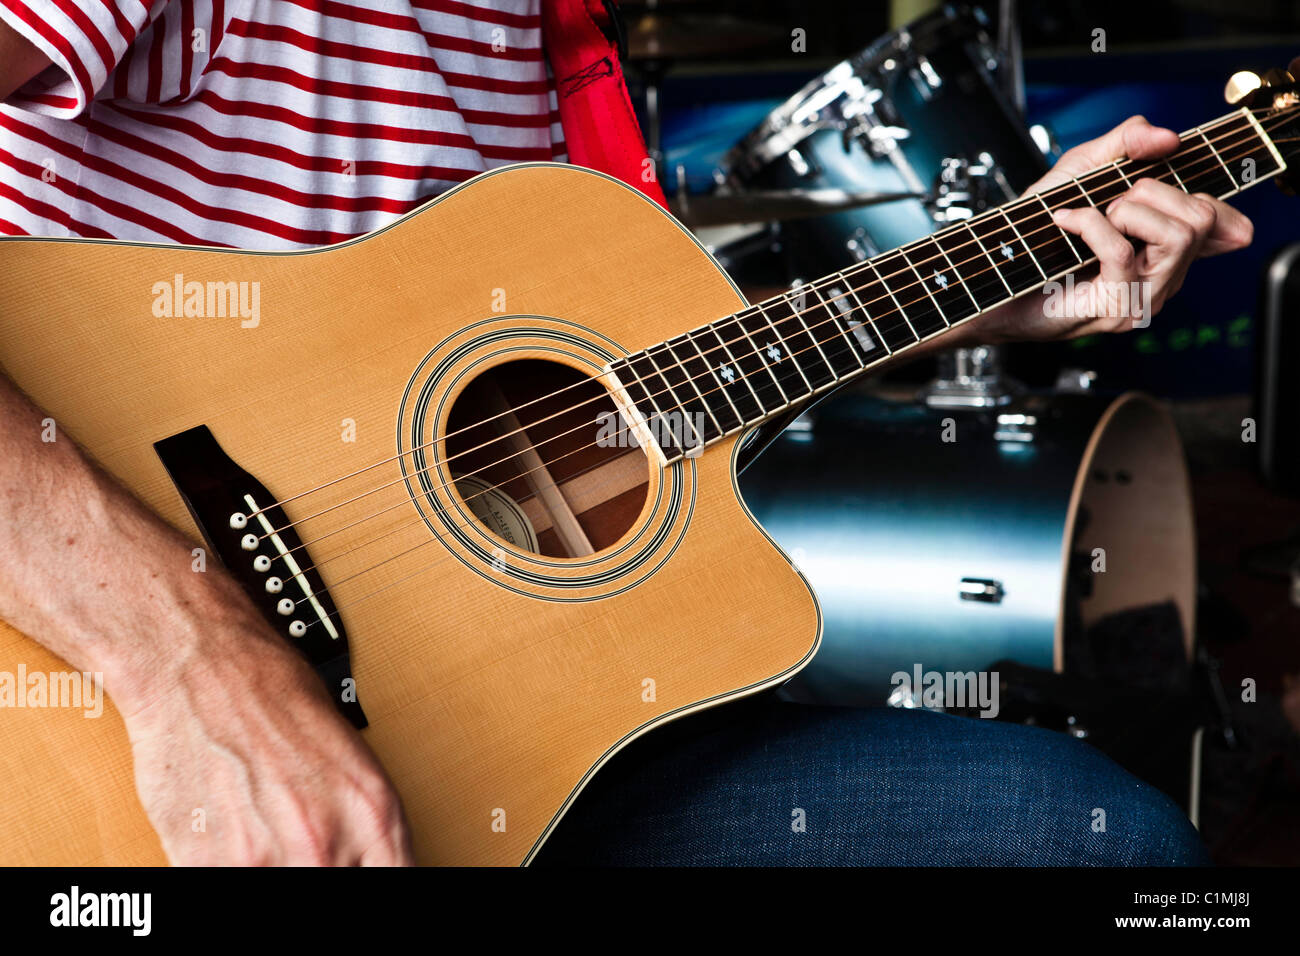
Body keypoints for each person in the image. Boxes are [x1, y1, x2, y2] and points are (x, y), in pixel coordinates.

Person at [0, 2, 1254, 866]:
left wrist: (959, 296)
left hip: (493, 746)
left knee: (1100, 843)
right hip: (125, 731)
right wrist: (194, 662)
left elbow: (589, 410)